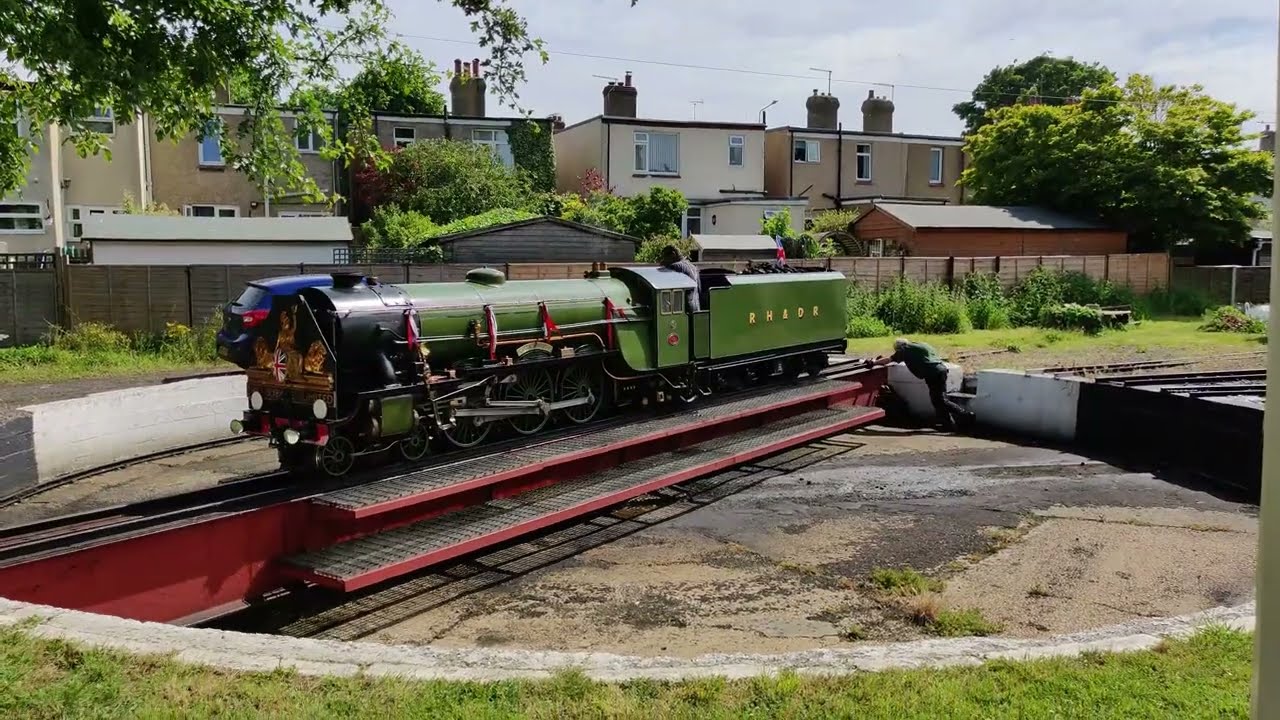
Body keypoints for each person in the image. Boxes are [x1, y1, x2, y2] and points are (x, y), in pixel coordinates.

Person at [867, 338, 972, 431]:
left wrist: (874, 363)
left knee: (941, 400)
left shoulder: (904, 350)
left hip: (932, 373)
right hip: (941, 369)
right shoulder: (921, 345)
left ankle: (966, 415)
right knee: (938, 400)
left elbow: (889, 360)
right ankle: (948, 425)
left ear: (898, 348)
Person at [659, 245, 701, 311]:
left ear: (673, 254)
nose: (664, 260)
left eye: (665, 257)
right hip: (696, 307)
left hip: (684, 307)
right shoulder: (693, 267)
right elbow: (699, 289)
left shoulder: (675, 266)